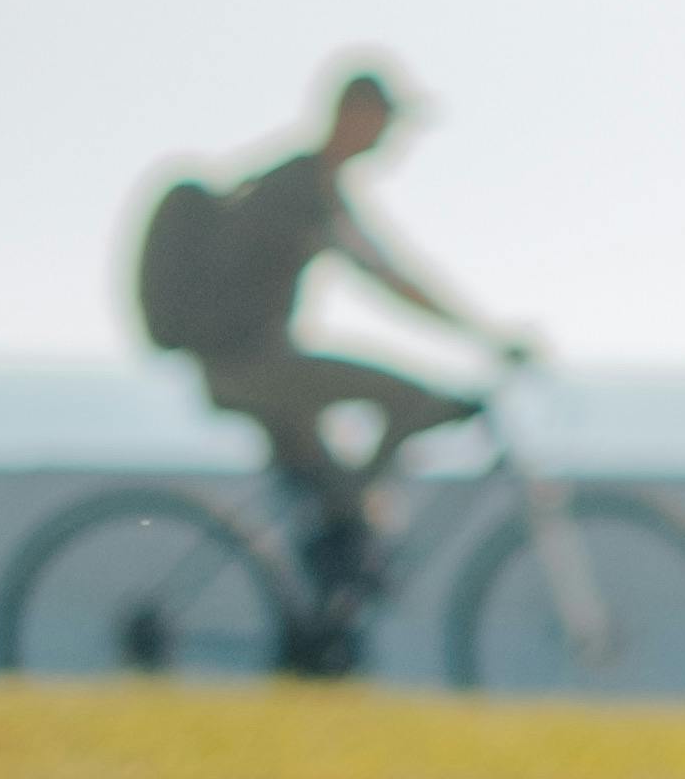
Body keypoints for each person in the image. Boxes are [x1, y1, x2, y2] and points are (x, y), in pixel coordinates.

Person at [132, 67, 533, 530]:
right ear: (352, 114)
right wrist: (483, 334)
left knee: (327, 496)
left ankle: (337, 569)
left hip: (248, 367)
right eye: (384, 118)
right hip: (251, 369)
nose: (391, 133)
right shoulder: (304, 188)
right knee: (408, 400)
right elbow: (385, 273)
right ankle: (354, 520)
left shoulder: (304, 180)